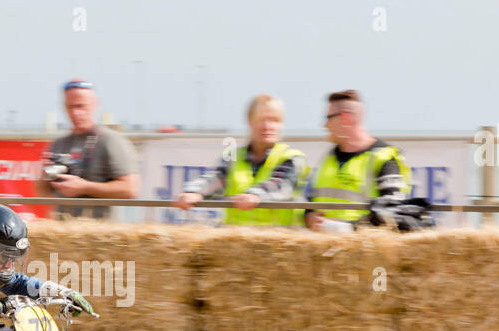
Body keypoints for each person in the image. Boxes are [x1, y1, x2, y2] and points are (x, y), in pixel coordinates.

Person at [174, 94, 307, 224]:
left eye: (274, 120)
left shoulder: (292, 157)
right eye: (261, 119)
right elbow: (216, 179)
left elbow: (280, 184)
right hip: (234, 243)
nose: (267, 126)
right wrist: (194, 192)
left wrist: (255, 196)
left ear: (282, 124)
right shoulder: (233, 157)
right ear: (250, 121)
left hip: (277, 242)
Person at [303, 90, 412, 231]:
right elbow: (312, 201)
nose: (325, 125)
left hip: (364, 250)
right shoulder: (329, 158)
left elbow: (393, 214)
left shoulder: (384, 158)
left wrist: (343, 229)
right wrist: (309, 217)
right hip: (324, 249)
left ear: (345, 118)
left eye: (328, 118)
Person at [40, 79, 140, 219]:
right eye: (71, 107)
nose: (76, 113)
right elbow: (42, 193)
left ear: (94, 104)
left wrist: (85, 187)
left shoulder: (110, 140)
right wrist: (44, 176)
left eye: (81, 106)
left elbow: (130, 189)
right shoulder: (59, 143)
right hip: (63, 230)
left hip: (99, 232)